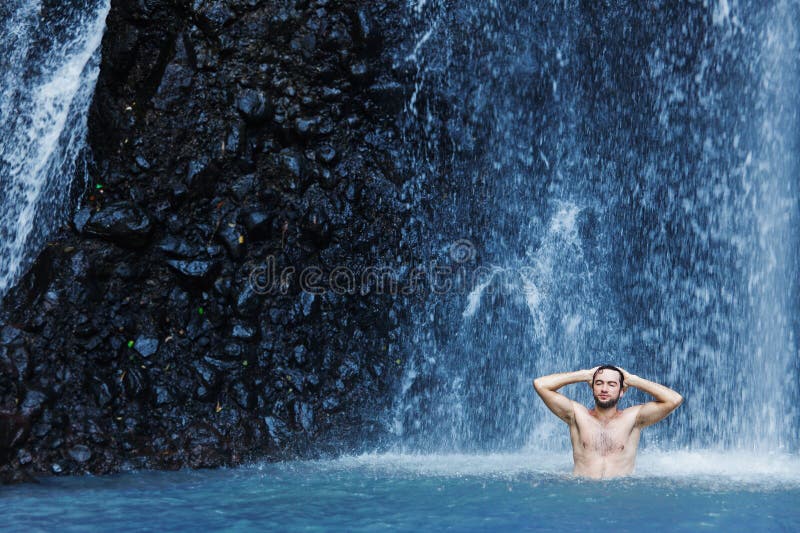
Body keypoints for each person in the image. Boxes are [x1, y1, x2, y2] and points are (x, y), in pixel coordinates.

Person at [533, 365, 682, 479]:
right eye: (599, 383)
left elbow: (674, 399)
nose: (604, 389)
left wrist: (633, 380)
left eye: (611, 384)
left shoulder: (634, 418)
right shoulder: (576, 415)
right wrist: (584, 374)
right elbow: (540, 384)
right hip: (583, 492)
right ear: (592, 387)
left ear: (622, 391)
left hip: (620, 495)